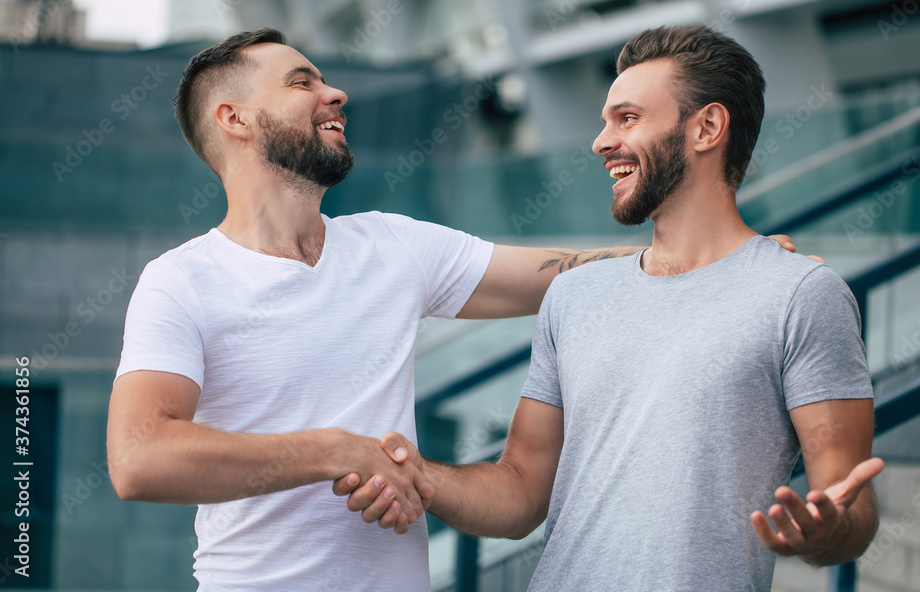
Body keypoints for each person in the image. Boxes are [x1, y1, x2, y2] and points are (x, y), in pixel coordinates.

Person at [106, 27, 807, 591]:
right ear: (233, 118)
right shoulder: (182, 282)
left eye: (324, 77)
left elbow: (553, 276)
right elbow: (139, 459)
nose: (334, 92)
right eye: (303, 82)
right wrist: (334, 451)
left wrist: (713, 257)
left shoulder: (391, 246)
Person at [339, 25, 883, 591]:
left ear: (708, 127)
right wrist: (421, 476)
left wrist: (825, 533)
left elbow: (849, 506)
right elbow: (522, 491)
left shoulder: (802, 295)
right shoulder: (575, 296)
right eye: (605, 121)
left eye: (627, 119)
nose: (600, 141)